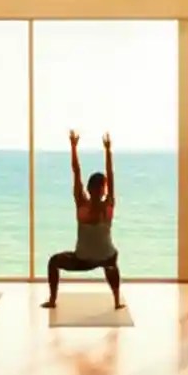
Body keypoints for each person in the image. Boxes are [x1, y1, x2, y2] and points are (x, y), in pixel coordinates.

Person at [41, 131, 123, 310]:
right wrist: (108, 150)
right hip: (106, 257)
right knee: (112, 261)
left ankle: (53, 300)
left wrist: (73, 147)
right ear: (104, 189)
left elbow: (76, 171)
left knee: (54, 261)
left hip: (83, 259)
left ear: (89, 188)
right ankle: (117, 301)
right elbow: (110, 174)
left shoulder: (82, 205)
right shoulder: (108, 206)